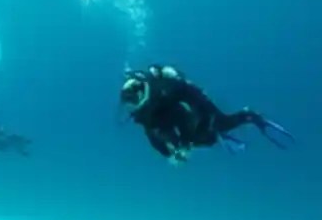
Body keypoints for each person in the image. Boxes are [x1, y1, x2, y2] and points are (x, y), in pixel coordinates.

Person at [119, 64, 294, 163]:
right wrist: (170, 154)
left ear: (141, 91)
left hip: (197, 110)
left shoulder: (164, 90)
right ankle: (219, 134)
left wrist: (204, 122)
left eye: (133, 100)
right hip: (180, 124)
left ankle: (250, 116)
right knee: (203, 138)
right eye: (129, 103)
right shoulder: (143, 113)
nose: (132, 106)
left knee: (217, 128)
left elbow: (192, 98)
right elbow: (152, 135)